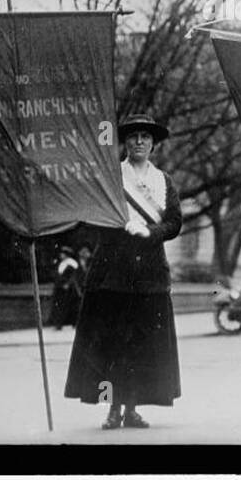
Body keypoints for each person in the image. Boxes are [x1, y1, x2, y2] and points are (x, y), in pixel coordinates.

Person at [63, 114, 182, 429]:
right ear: (125, 143)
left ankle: (132, 409)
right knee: (114, 345)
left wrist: (151, 233)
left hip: (150, 275)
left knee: (142, 346)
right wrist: (120, 225)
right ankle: (113, 409)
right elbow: (92, 217)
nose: (139, 142)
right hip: (113, 273)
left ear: (153, 144)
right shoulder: (112, 179)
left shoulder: (164, 181)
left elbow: (174, 222)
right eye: (133, 137)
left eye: (145, 137)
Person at [49, 245, 83, 329]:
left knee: (69, 307)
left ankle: (73, 323)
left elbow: (73, 276)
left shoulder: (71, 263)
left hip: (69, 289)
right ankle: (59, 324)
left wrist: (67, 284)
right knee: (60, 307)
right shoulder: (62, 263)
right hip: (60, 289)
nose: (61, 255)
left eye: (63, 254)